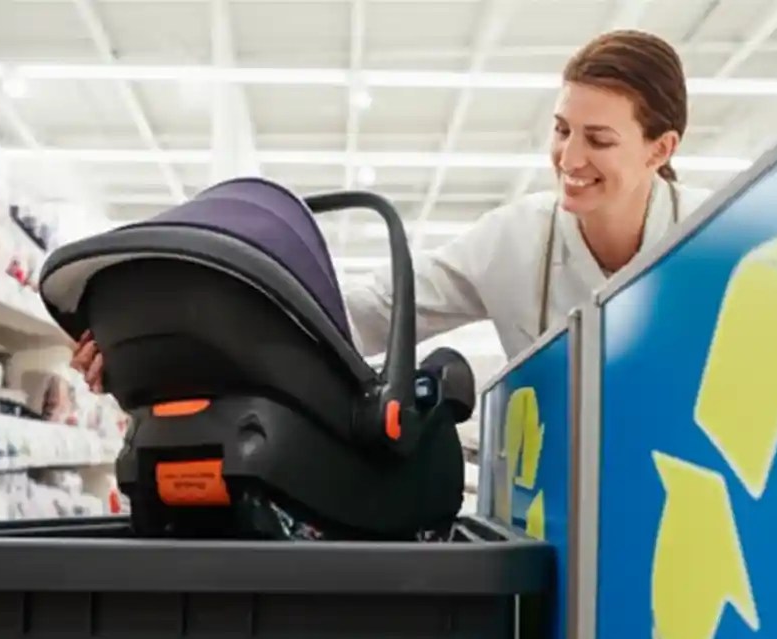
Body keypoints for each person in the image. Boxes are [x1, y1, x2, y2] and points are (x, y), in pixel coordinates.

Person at [70, 29, 712, 390]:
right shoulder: (516, 241)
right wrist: (166, 337)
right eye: (561, 129)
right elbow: (364, 315)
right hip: (558, 499)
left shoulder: (717, 242)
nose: (569, 157)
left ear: (662, 149)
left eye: (598, 139)